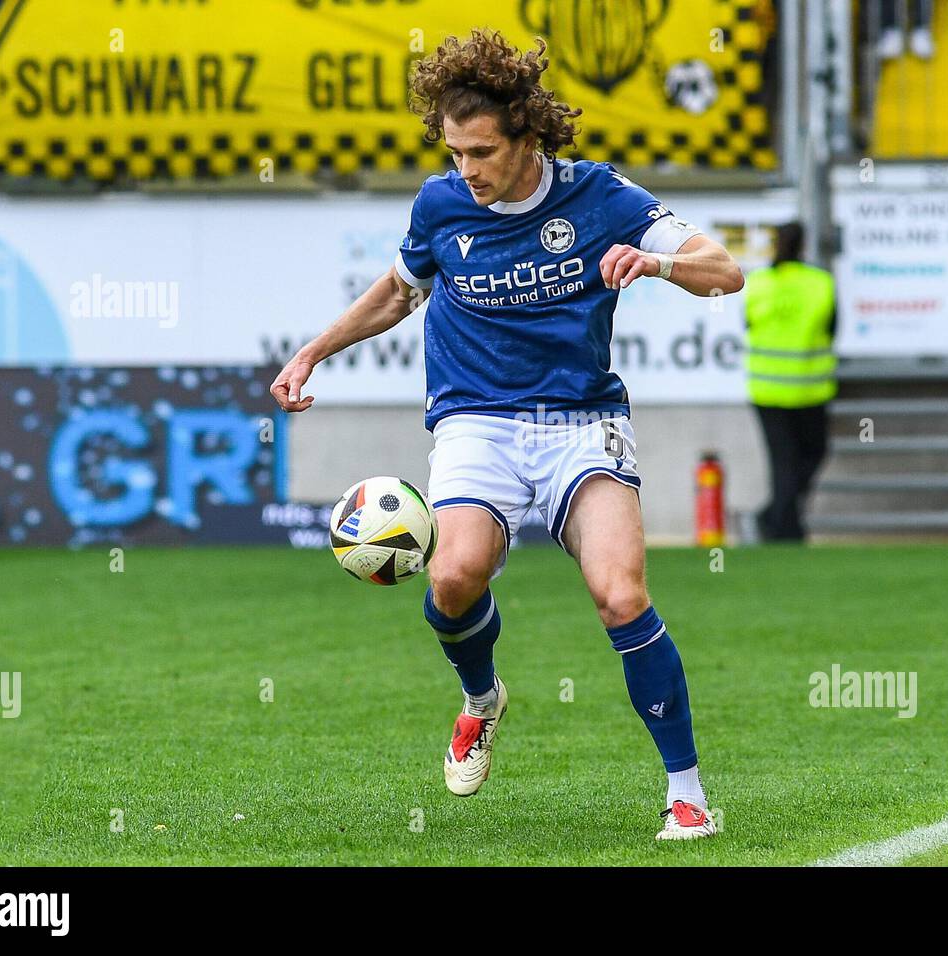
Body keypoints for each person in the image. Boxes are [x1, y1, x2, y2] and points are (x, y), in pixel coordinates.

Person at [270, 30, 743, 841]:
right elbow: (397, 292)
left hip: (581, 422)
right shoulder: (441, 204)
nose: (468, 171)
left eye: (482, 152)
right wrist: (313, 351)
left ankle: (686, 792)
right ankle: (481, 698)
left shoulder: (600, 198)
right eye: (455, 152)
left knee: (621, 594)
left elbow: (724, 270)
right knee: (450, 579)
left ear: (530, 136)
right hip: (476, 423)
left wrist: (656, 263)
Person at [743, 222, 836, 542]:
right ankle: (784, 529)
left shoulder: (758, 283)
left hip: (767, 389)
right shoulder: (821, 283)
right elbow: (833, 329)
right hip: (810, 388)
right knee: (814, 453)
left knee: (782, 464)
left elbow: (748, 325)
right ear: (804, 246)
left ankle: (775, 521)